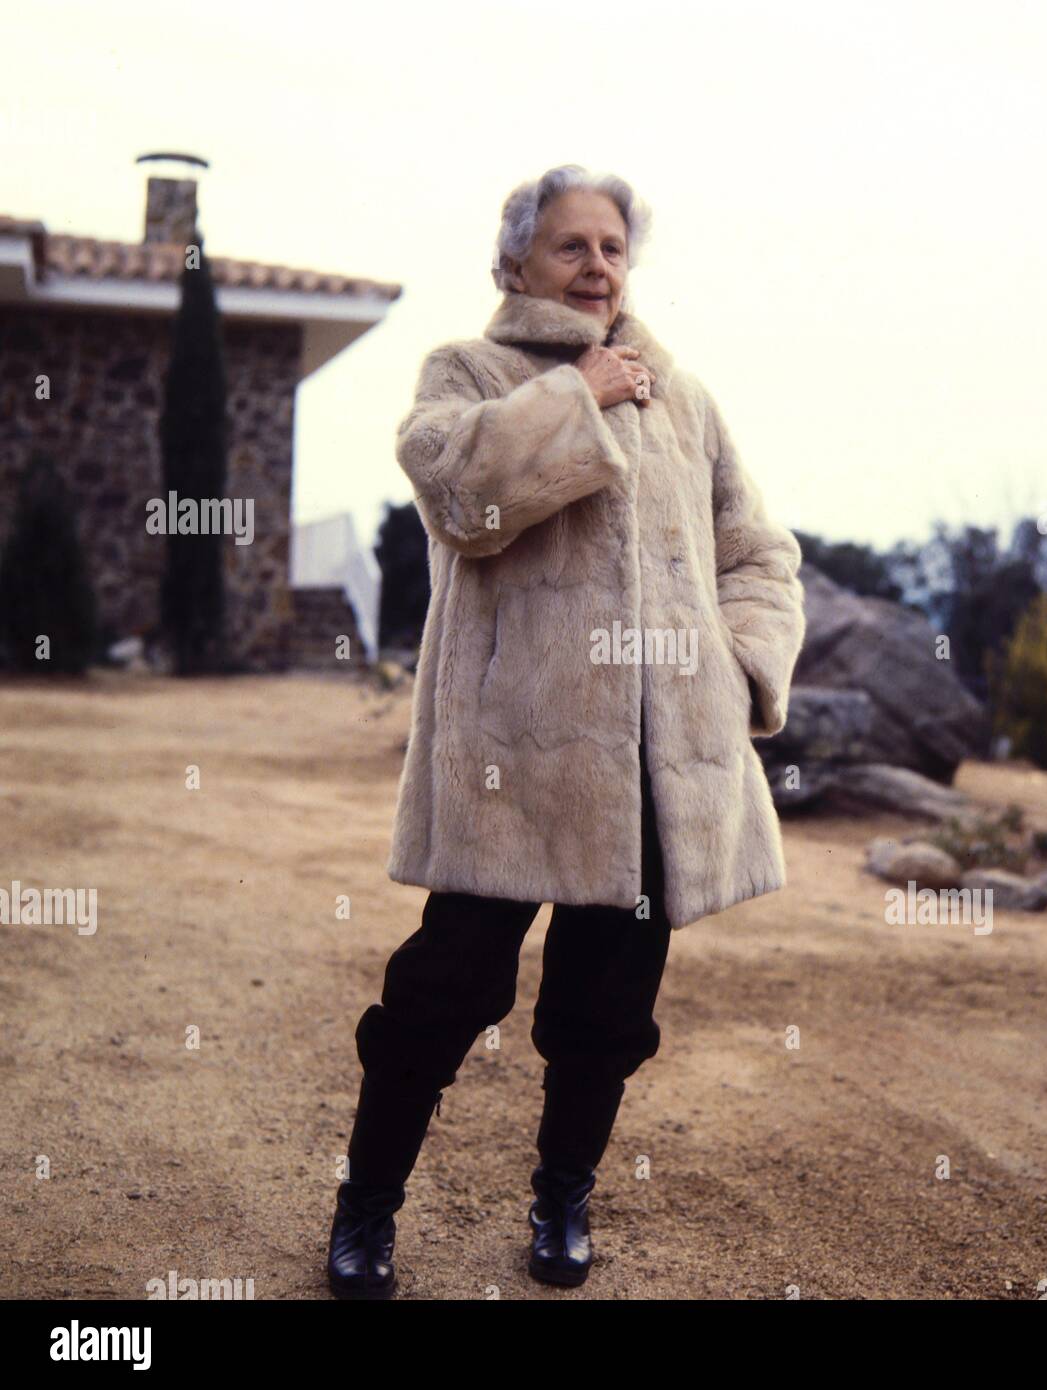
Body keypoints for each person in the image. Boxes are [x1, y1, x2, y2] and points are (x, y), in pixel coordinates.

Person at [326, 164, 807, 1298]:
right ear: (515, 265)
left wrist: (737, 674)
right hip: (509, 762)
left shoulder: (684, 398)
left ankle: (560, 1202)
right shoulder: (469, 371)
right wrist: (577, 393)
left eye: (612, 249)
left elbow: (759, 554)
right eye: (570, 248)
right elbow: (463, 503)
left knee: (604, 1015)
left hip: (650, 768)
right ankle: (366, 1207)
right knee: (439, 997)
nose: (597, 268)